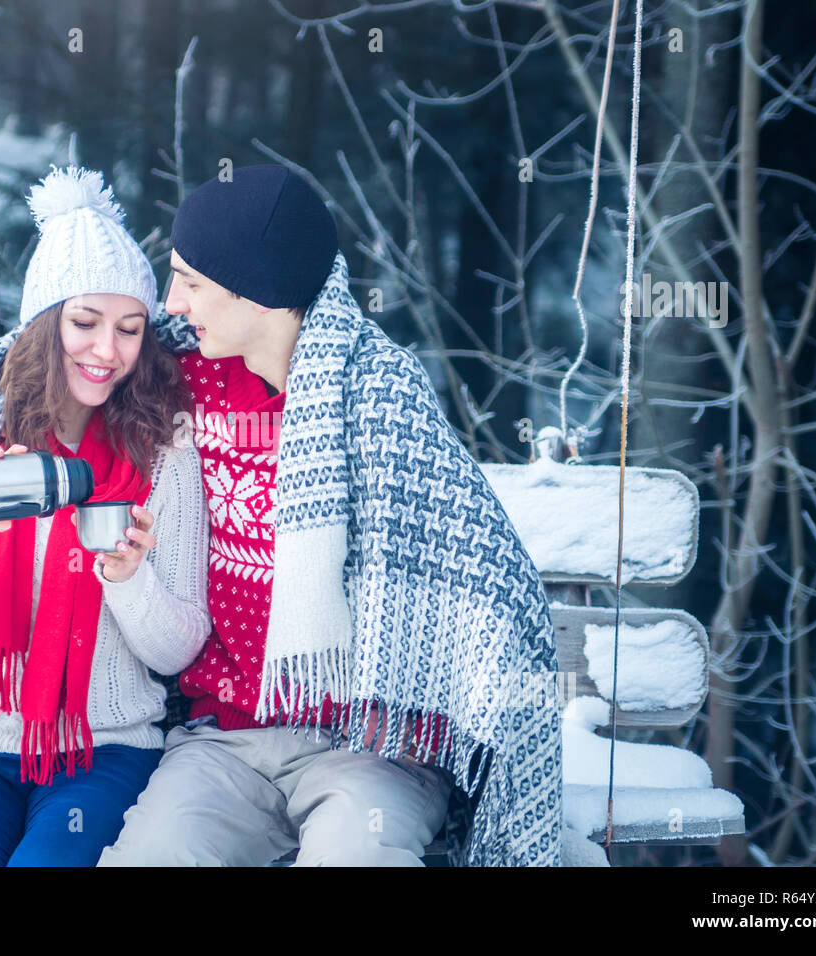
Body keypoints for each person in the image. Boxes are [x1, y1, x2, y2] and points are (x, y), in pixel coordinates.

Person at [95, 164, 563, 867]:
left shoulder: (377, 391)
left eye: (191, 281)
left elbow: (491, 575)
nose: (174, 301)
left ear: (255, 289)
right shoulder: (185, 368)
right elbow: (66, 357)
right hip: (225, 740)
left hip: (372, 751)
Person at [0, 165, 211, 867]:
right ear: (43, 324)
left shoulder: (166, 451)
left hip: (104, 750)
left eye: (130, 328)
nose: (106, 351)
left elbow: (179, 650)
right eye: (85, 322)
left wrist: (128, 577)